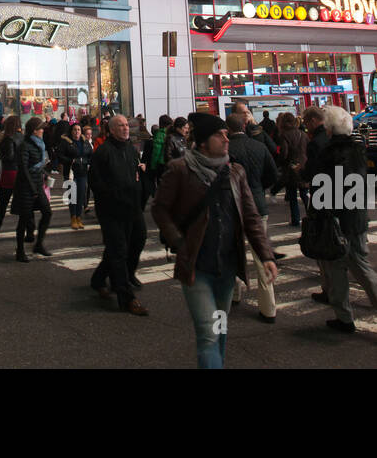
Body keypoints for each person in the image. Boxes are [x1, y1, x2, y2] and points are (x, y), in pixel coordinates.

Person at [153, 112, 278, 368]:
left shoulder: (235, 171)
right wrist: (178, 240)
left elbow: (251, 216)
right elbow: (160, 209)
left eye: (225, 133)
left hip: (227, 267)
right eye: (218, 135)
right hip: (196, 266)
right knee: (209, 333)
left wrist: (266, 255)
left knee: (220, 326)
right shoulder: (180, 169)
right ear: (201, 142)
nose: (226, 138)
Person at [304, 105, 377, 344]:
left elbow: (319, 186)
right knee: (359, 263)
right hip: (357, 216)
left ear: (328, 129)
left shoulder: (328, 154)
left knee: (338, 267)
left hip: (335, 219)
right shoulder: (358, 150)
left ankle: (371, 313)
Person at [89, 114, 148, 314]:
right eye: (121, 126)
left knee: (138, 240)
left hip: (133, 207)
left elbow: (135, 173)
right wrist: (112, 196)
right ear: (112, 129)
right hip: (111, 210)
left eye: (126, 125)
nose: (125, 128)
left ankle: (100, 279)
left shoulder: (131, 149)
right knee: (118, 250)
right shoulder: (103, 152)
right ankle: (126, 296)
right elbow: (95, 182)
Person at [226, 111, 280, 323]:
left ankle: (235, 293)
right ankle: (268, 308)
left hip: (234, 205)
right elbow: (273, 174)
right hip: (258, 204)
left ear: (228, 129)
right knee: (262, 255)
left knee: (233, 250)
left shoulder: (227, 148)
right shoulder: (259, 146)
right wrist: (259, 189)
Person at [12, 117, 53, 261]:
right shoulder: (25, 145)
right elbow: (23, 168)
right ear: (34, 131)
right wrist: (33, 188)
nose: (43, 130)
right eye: (41, 128)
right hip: (25, 186)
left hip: (37, 184)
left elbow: (38, 165)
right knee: (24, 218)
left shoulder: (40, 144)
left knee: (47, 212)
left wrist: (45, 174)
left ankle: (39, 243)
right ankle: (20, 250)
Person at [275, 112, 309, 226]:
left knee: (293, 196)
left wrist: (280, 163)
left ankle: (295, 219)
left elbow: (284, 153)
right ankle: (311, 215)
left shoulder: (284, 135)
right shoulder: (303, 134)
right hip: (303, 167)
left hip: (290, 169)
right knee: (304, 193)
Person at [67, 122, 92, 230]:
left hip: (82, 172)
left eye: (78, 130)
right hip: (71, 172)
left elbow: (90, 154)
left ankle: (78, 217)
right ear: (71, 131)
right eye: (75, 130)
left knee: (81, 195)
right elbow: (60, 154)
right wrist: (69, 161)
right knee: (72, 196)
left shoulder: (85, 143)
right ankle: (73, 217)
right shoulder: (67, 142)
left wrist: (88, 163)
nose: (77, 132)